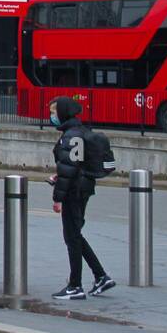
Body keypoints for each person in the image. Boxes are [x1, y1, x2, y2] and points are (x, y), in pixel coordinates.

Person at [48, 95, 117, 300]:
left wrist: (57, 198)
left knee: (72, 237)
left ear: (63, 112)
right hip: (83, 187)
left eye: (53, 112)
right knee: (75, 235)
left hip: (74, 191)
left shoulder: (70, 136)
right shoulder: (80, 132)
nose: (51, 116)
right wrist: (60, 175)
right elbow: (74, 166)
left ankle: (75, 285)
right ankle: (101, 276)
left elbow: (69, 168)